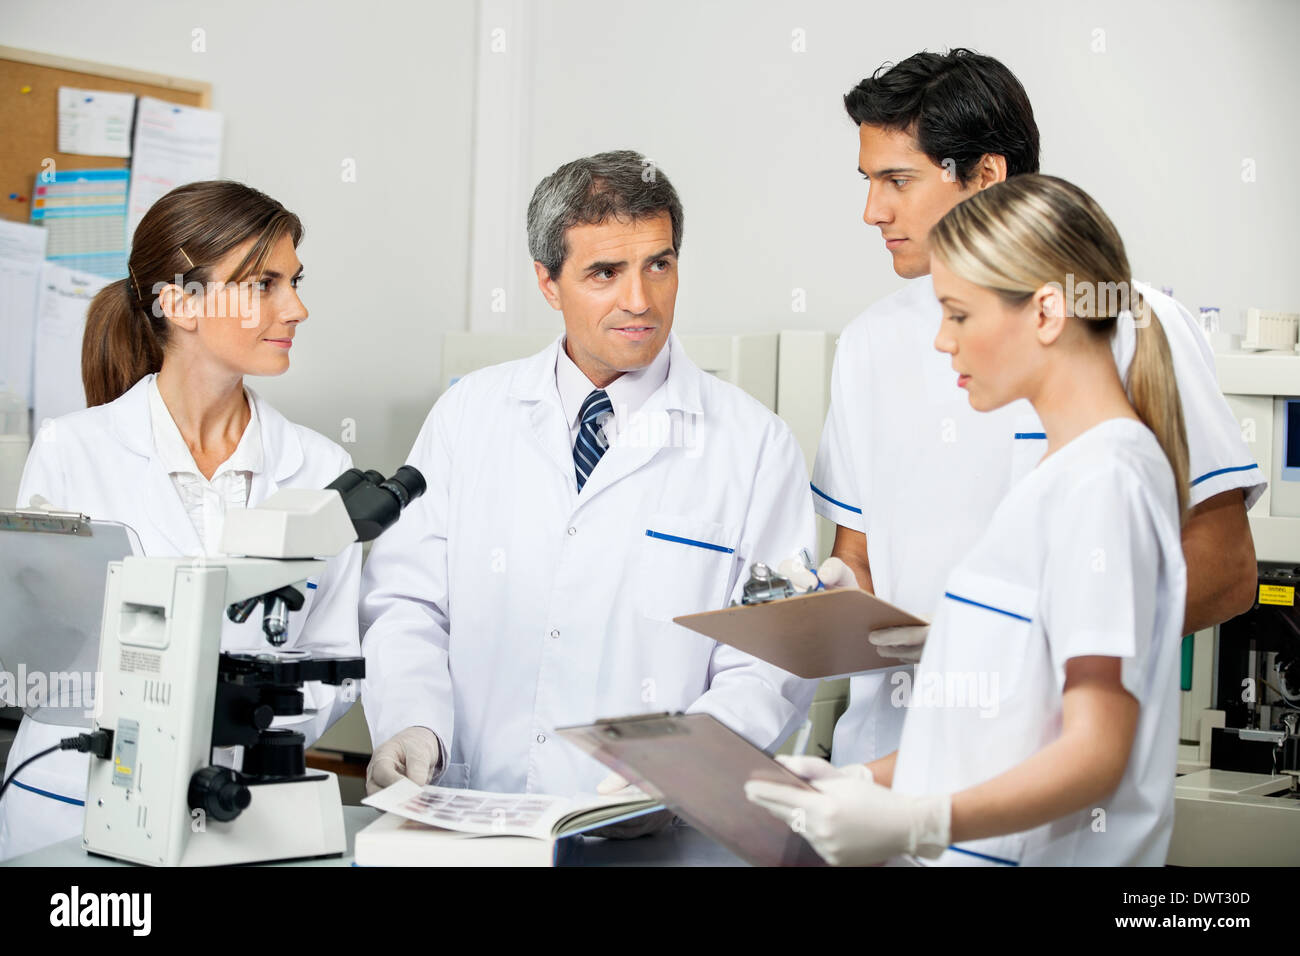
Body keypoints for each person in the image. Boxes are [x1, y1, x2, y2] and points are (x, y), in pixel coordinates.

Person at [814, 49, 1263, 766]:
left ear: (986, 176)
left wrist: (1035, 654)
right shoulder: (870, 343)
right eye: (869, 181)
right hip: (888, 759)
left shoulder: (1132, 323)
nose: (873, 211)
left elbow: (1225, 570)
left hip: (1058, 763)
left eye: (897, 180)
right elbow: (859, 557)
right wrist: (830, 604)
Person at [748, 175, 1189, 866]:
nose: (941, 342)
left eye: (957, 314)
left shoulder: (1105, 484)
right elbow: (996, 732)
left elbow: (1097, 752)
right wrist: (858, 782)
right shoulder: (1058, 480)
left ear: (1046, 313)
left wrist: (917, 823)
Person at [360, 150, 817, 804]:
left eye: (659, 265)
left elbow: (771, 656)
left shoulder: (754, 444)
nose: (640, 299)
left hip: (660, 826)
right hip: (477, 809)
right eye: (605, 272)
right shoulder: (471, 414)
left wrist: (673, 774)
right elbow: (407, 599)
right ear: (548, 283)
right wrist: (413, 723)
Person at [0, 181, 361, 860]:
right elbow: (50, 656)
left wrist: (241, 727)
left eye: (294, 281)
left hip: (240, 804)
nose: (297, 307)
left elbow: (330, 659)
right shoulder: (73, 451)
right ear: (179, 302)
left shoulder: (319, 466)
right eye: (262, 285)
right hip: (75, 799)